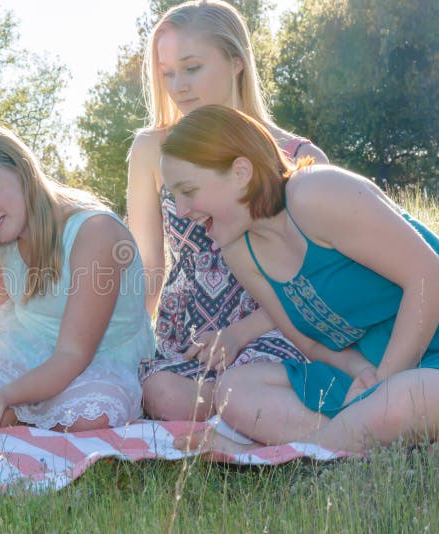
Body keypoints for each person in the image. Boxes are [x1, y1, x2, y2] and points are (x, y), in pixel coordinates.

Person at [162, 104, 439, 453]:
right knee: (234, 390)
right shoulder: (240, 250)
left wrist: (383, 381)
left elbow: (429, 277)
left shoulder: (315, 192)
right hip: (374, 372)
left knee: (399, 401)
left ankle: (263, 455)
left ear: (241, 171)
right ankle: (369, 440)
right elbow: (309, 344)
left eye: (188, 191)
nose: (181, 211)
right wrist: (362, 370)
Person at [129, 0, 329, 422]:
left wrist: (241, 334)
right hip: (189, 332)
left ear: (236, 61)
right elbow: (149, 266)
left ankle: (252, 410)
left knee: (244, 387)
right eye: (167, 74)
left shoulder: (298, 156)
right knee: (160, 393)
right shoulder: (152, 149)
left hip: (273, 319)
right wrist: (121, 342)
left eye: (192, 67)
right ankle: (253, 416)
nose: (178, 85)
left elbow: (317, 272)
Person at [0, 125, 152, 431]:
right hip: (32, 348)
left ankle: (12, 417)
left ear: (23, 171)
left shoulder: (93, 232)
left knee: (96, 412)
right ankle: (13, 415)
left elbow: (73, 355)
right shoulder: (3, 237)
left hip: (95, 360)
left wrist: (4, 396)